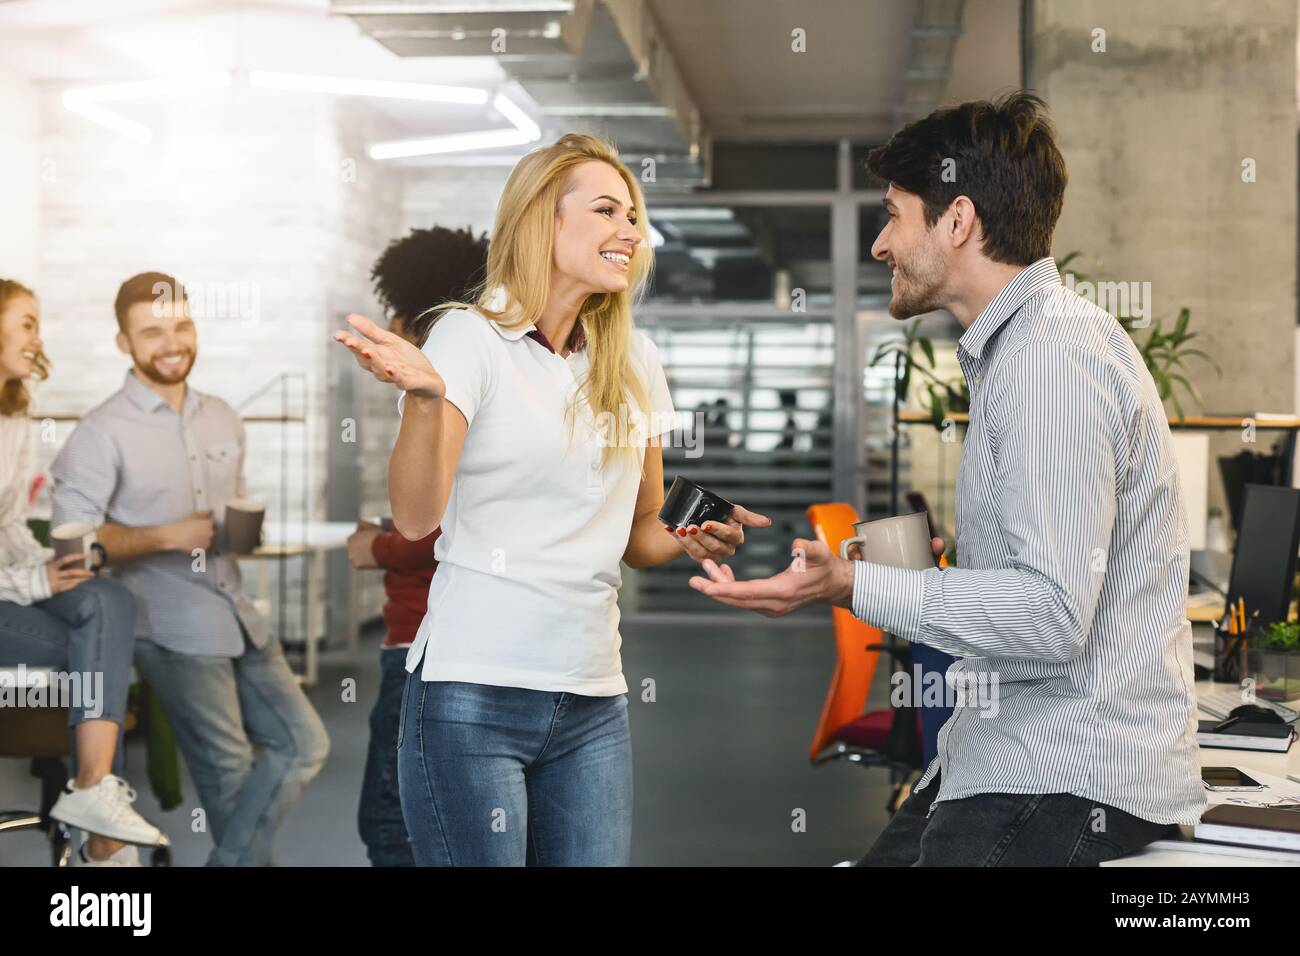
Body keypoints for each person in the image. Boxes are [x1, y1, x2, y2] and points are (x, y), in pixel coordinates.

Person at [688, 93, 1205, 866]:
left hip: (1065, 778)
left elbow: (1052, 615)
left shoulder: (1048, 362)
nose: (880, 244)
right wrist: (892, 569)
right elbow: (1035, 587)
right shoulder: (1024, 352)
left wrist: (850, 587)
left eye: (894, 215)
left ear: (957, 221)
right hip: (1001, 757)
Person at [334, 133, 771, 866]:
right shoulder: (469, 339)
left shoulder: (633, 358)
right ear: (544, 219)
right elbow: (415, 516)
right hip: (471, 695)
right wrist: (423, 401)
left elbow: (641, 532)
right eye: (606, 210)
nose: (630, 230)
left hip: (593, 697)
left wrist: (699, 530)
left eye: (633, 215)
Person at [51, 272, 330, 866]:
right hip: (171, 627)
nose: (170, 341)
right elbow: (69, 550)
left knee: (305, 743)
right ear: (124, 342)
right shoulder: (100, 432)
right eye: (151, 332)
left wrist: (243, 531)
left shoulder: (223, 416)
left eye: (180, 325)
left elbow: (237, 505)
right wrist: (168, 534)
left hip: (239, 615)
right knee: (230, 782)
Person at [0, 278, 166, 866]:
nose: (38, 337)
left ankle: (93, 794)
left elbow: (11, 524)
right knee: (99, 640)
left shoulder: (13, 412)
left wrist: (44, 565)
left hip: (10, 586)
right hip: (8, 596)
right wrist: (34, 584)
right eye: (26, 323)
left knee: (108, 604)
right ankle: (104, 841)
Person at [348, 225, 488, 867]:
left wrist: (372, 547)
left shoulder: (439, 395)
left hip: (420, 641)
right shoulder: (487, 374)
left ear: (407, 322)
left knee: (391, 818)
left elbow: (428, 530)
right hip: (471, 641)